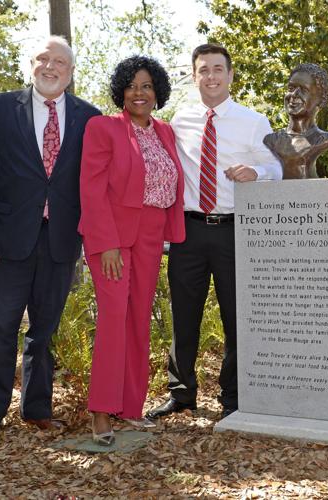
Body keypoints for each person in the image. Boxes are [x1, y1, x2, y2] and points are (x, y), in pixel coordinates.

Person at [0, 36, 101, 449]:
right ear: (31, 64)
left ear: (70, 70)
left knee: (44, 330)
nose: (51, 66)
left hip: (61, 240)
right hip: (7, 240)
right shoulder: (1, 108)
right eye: (43, 59)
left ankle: (37, 409)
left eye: (59, 61)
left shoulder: (89, 117)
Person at [146, 44, 282, 421]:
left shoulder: (253, 122)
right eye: (203, 70)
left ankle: (234, 397)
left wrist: (257, 173)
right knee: (183, 314)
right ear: (194, 76)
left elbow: (278, 168)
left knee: (237, 316)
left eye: (218, 69)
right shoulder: (179, 120)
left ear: (230, 74)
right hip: (187, 230)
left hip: (233, 230)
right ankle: (181, 393)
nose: (211, 76)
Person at [79, 56, 185, 444]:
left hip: (152, 234)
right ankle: (101, 411)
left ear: (158, 93)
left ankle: (130, 408)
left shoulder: (166, 133)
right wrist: (106, 243)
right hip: (113, 235)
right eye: (132, 86)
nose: (139, 93)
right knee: (113, 319)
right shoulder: (103, 128)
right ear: (120, 91)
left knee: (139, 318)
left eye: (147, 86)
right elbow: (91, 189)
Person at [263, 63, 328, 179]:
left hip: (311, 194)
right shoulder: (272, 140)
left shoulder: (327, 139)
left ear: (323, 100)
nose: (294, 94)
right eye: (291, 88)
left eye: (304, 90)